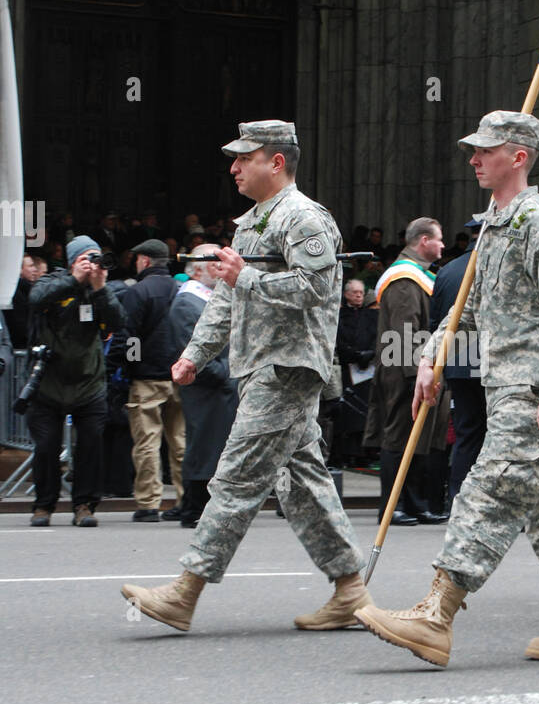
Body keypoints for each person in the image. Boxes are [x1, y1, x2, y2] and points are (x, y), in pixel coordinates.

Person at [356, 110, 539, 668]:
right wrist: (430, 357)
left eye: (485, 151)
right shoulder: (495, 225)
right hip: (500, 384)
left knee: (489, 488)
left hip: (529, 391)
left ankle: (437, 611)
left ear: (518, 157)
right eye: (472, 151)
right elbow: (466, 310)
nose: (473, 159)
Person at [121, 120, 371, 634]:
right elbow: (228, 301)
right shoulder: (253, 222)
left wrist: (246, 276)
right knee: (302, 482)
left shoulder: (302, 218)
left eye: (244, 158)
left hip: (287, 368)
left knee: (234, 477)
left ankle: (184, 592)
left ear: (276, 162)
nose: (233, 168)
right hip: (263, 366)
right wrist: (194, 354)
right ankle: (351, 590)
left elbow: (316, 290)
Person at [26, 235, 126, 526]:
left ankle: (85, 505)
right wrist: (74, 279)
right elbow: (36, 300)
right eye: (87, 258)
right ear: (73, 261)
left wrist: (99, 288)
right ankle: (43, 506)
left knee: (91, 446)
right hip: (49, 382)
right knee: (46, 446)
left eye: (97, 258)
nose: (93, 264)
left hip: (89, 382)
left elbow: (119, 322)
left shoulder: (99, 290)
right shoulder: (52, 281)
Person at [363, 216, 450, 526]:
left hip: (411, 367)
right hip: (403, 369)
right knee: (399, 438)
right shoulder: (404, 278)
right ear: (423, 241)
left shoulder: (418, 275)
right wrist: (415, 374)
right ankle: (393, 505)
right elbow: (404, 331)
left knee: (418, 439)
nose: (443, 245)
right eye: (438, 239)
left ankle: (414, 503)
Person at [167, 244, 238, 528]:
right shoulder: (187, 302)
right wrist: (226, 373)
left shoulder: (210, 298)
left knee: (215, 448)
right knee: (203, 448)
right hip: (206, 387)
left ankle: (204, 506)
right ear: (197, 269)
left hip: (219, 387)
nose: (219, 268)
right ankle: (193, 507)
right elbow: (191, 348)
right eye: (213, 263)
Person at [122, 239, 185, 522]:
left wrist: (132, 365)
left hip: (147, 378)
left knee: (147, 442)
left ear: (145, 261)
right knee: (181, 442)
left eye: (137, 259)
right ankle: (188, 499)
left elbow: (131, 336)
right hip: (179, 376)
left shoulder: (139, 292)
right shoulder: (181, 289)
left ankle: (149, 503)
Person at [428, 217, 486, 505]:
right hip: (492, 362)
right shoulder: (492, 264)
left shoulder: (447, 270)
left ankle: (458, 498)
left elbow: (436, 321)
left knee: (466, 434)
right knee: (496, 436)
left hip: (457, 363)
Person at [334, 278, 378, 468]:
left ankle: (366, 451)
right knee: (348, 413)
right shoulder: (340, 315)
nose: (359, 295)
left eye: (361, 292)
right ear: (346, 294)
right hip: (348, 367)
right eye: (355, 292)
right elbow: (338, 340)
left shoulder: (371, 315)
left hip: (368, 368)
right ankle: (348, 453)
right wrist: (353, 355)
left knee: (366, 410)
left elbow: (377, 336)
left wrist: (369, 354)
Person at [2, 253, 38, 348]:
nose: (35, 269)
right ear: (19, 269)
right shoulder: (15, 294)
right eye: (30, 266)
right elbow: (20, 328)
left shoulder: (26, 290)